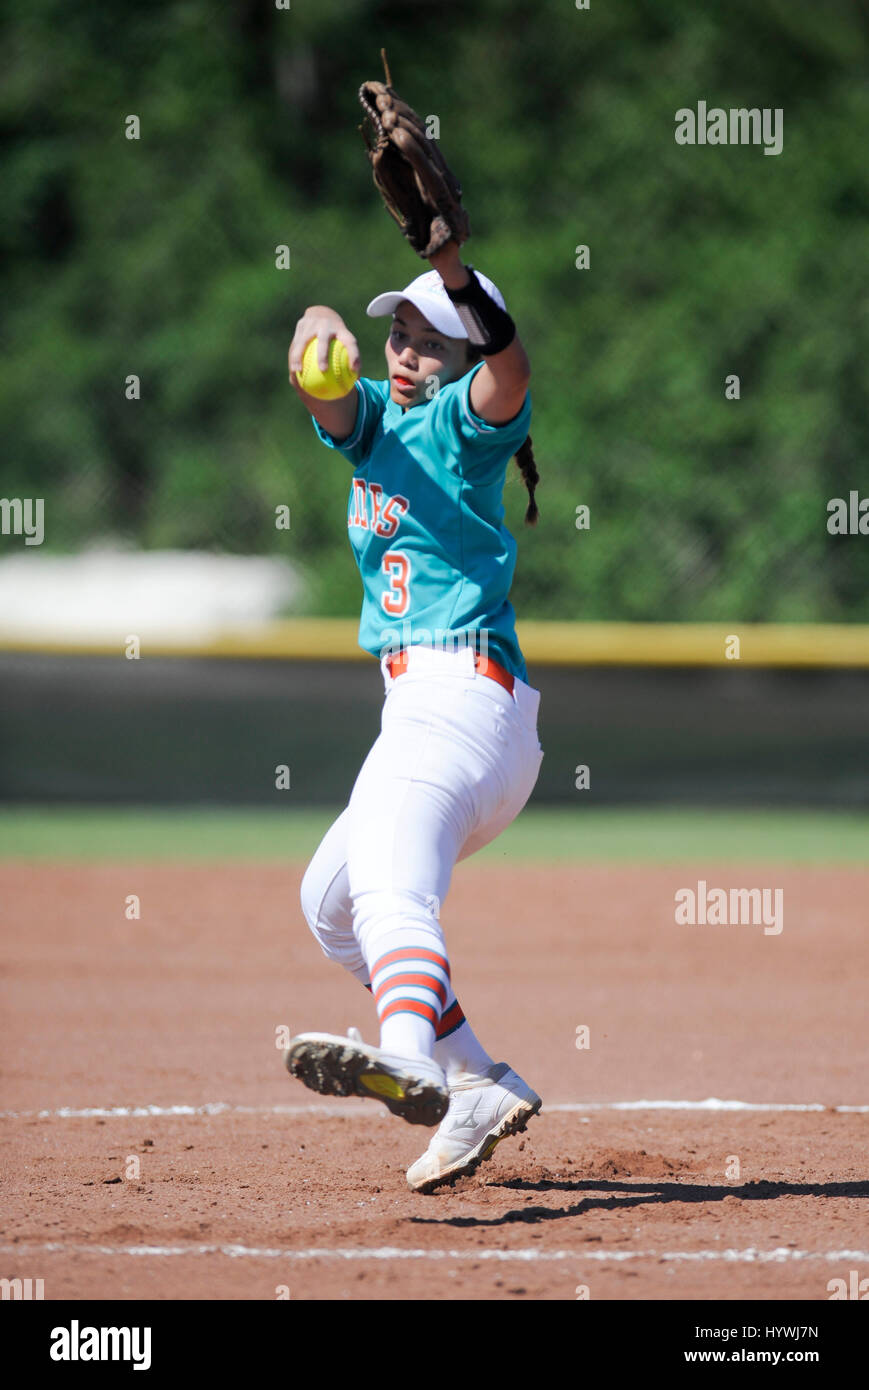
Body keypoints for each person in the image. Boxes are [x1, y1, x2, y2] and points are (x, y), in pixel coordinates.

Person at [283, 239, 544, 1193]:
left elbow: (511, 371)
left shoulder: (467, 428)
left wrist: (462, 281)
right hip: (420, 711)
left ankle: (408, 1058)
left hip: (463, 701)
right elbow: (328, 394)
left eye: (431, 342)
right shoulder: (379, 426)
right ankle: (473, 1080)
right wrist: (314, 321)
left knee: (393, 891)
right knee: (330, 905)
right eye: (399, 333)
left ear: (462, 356)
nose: (405, 353)